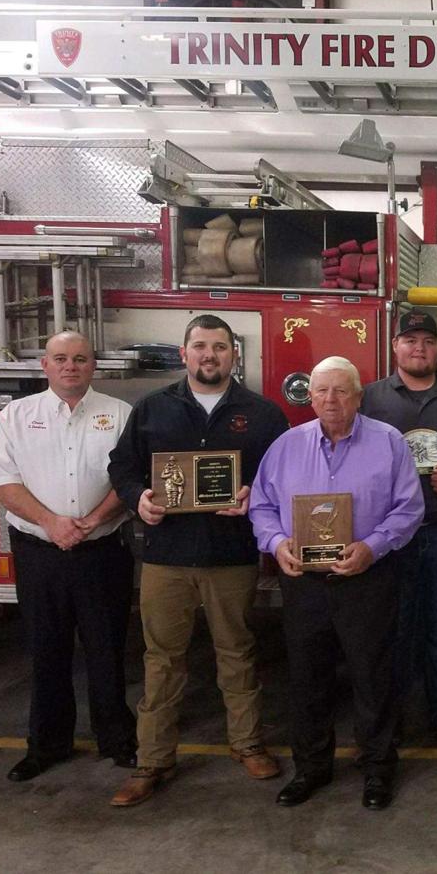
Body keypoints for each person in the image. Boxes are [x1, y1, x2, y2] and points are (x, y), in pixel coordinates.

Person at [106, 314, 288, 807]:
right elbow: (120, 466)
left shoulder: (263, 413)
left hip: (231, 555)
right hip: (166, 557)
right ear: (184, 353)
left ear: (234, 354)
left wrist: (256, 493)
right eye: (201, 346)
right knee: (162, 659)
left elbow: (283, 473)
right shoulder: (150, 409)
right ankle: (153, 762)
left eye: (220, 347)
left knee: (237, 652)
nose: (210, 355)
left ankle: (247, 745)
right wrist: (137, 497)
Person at [250, 356, 424, 809]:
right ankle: (311, 768)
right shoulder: (286, 446)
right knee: (308, 678)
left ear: (359, 396)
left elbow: (409, 509)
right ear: (310, 397)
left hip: (367, 579)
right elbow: (262, 506)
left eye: (341, 390)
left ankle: (378, 770)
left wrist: (373, 547)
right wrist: (276, 543)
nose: (331, 400)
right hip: (305, 584)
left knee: (373, 678)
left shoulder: (389, 444)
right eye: (322, 391)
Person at [0, 331, 137, 782]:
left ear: (94, 366)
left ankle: (117, 739)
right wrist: (53, 524)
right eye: (61, 359)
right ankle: (47, 745)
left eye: (81, 359)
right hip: (39, 554)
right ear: (44, 366)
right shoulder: (16, 415)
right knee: (45, 650)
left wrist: (89, 521)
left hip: (103, 551)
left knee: (107, 650)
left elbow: (128, 479)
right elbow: (3, 482)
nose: (71, 366)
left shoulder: (120, 414)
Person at [361, 309, 437, 759]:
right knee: (391, 633)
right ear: (395, 347)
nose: (419, 348)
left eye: (428, 341)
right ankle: (392, 723)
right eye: (410, 341)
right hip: (390, 538)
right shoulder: (370, 399)